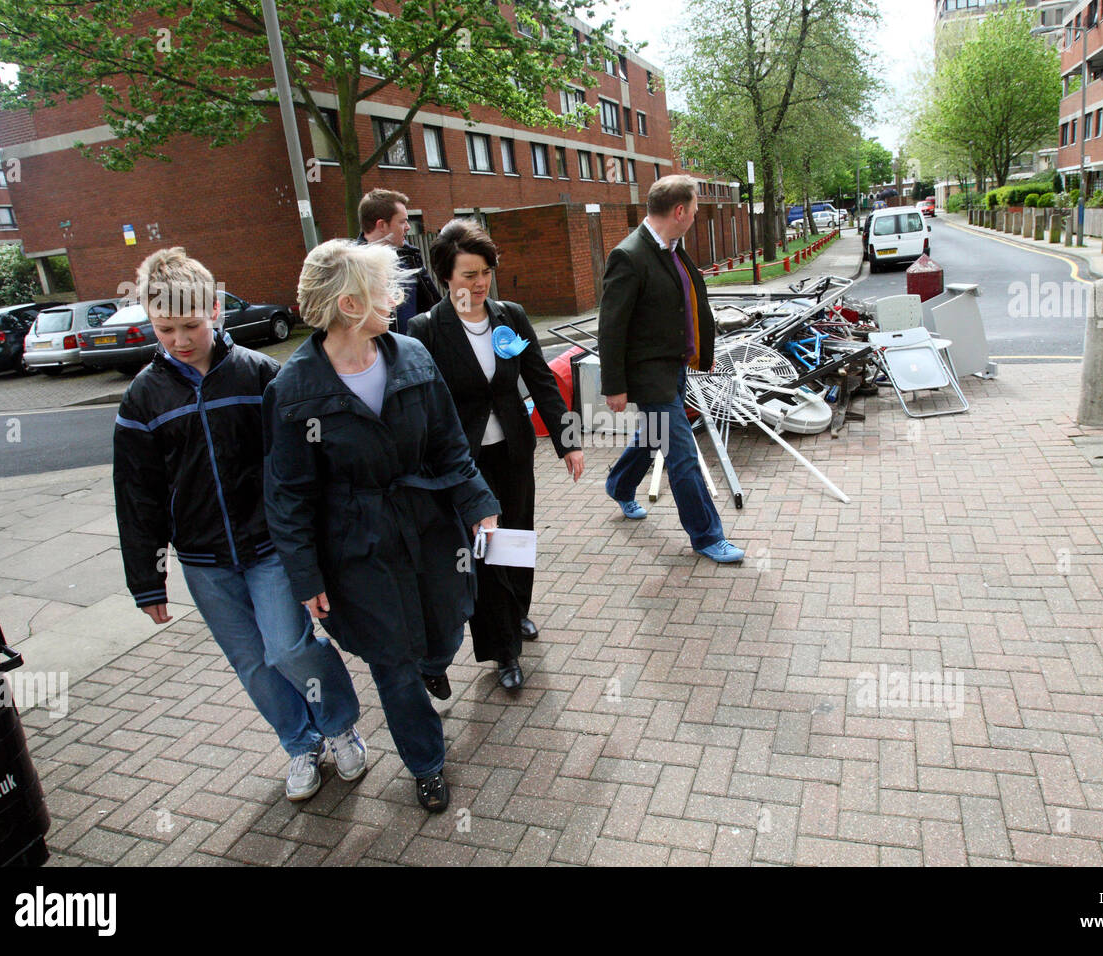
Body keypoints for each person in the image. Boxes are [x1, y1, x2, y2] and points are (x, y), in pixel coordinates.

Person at [113, 247, 366, 804]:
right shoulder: (142, 397)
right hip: (204, 560)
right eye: (165, 328)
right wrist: (147, 581)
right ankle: (299, 744)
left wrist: (322, 541)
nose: (179, 340)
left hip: (269, 547)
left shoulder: (262, 374)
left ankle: (340, 725)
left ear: (217, 313)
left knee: (288, 649)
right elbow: (138, 496)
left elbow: (302, 464)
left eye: (190, 325)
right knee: (252, 664)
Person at [262, 239, 499, 813]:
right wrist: (305, 575)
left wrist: (477, 502)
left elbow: (449, 443)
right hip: (357, 546)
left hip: (430, 527)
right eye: (382, 292)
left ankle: (434, 663)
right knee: (392, 662)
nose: (396, 300)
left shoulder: (413, 355)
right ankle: (427, 762)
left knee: (444, 630)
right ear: (348, 305)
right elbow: (288, 496)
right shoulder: (292, 391)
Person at [408, 220, 583, 690]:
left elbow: (541, 379)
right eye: (468, 275)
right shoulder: (425, 330)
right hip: (463, 463)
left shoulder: (511, 316)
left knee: (518, 538)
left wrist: (569, 440)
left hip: (512, 450)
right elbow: (421, 404)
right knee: (485, 553)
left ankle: (517, 613)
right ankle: (503, 649)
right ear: (446, 277)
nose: (479, 282)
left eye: (485, 271)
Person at [598, 175, 745, 564]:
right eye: (695, 209)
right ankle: (707, 536)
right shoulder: (629, 256)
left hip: (675, 369)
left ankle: (619, 484)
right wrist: (614, 386)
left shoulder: (672, 248)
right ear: (679, 211)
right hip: (649, 378)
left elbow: (687, 302)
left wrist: (702, 351)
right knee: (682, 455)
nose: (697, 215)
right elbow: (611, 327)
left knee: (653, 436)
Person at [355, 188, 439, 333]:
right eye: (402, 222)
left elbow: (432, 304)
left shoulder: (410, 257)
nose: (408, 227)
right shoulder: (352, 268)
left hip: (414, 350)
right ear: (381, 225)